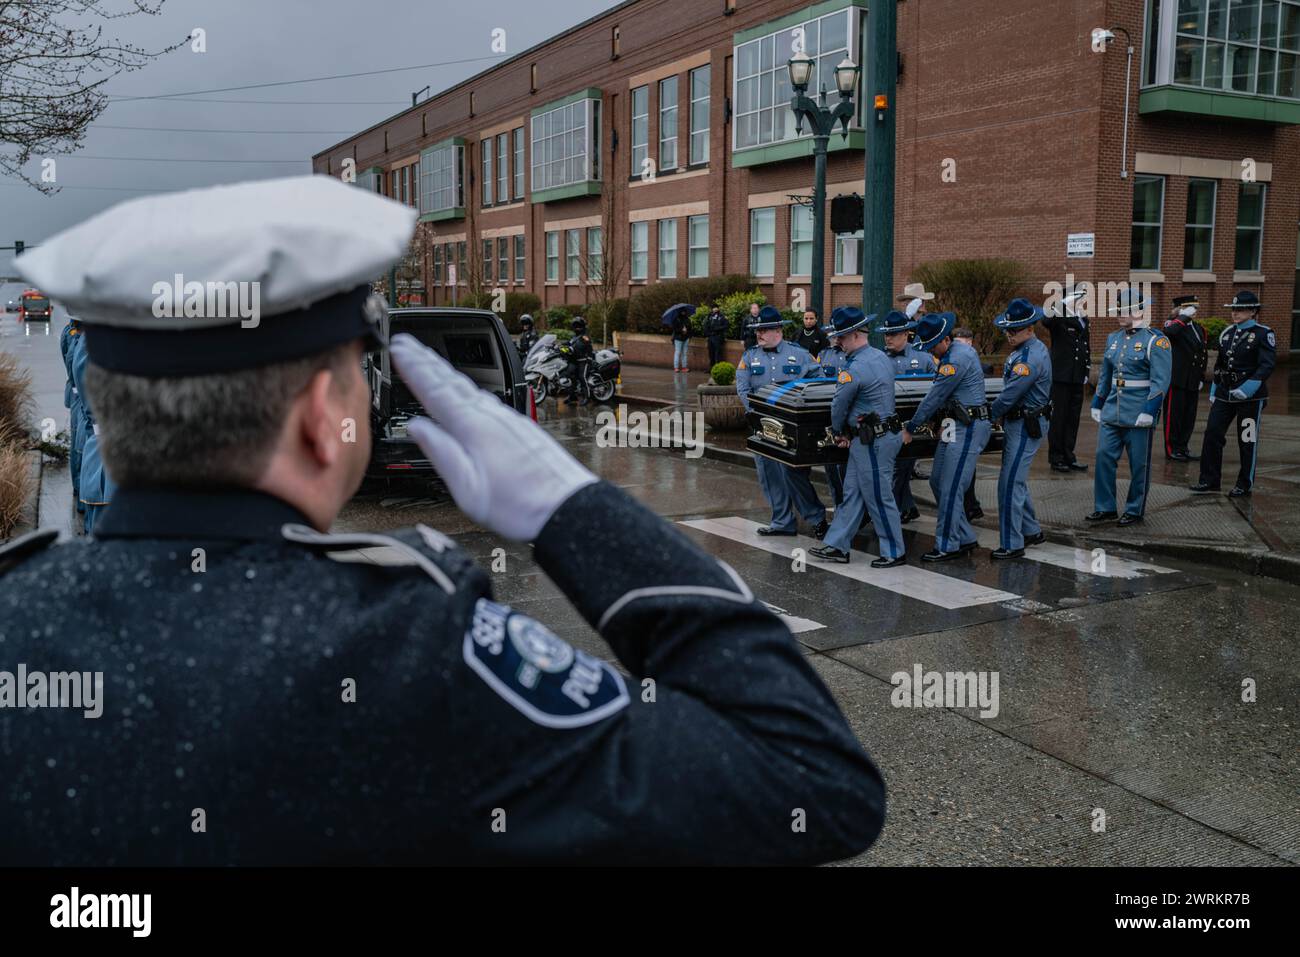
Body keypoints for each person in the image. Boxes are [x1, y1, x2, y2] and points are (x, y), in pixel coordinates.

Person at [0, 175, 884, 866]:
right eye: (358, 366)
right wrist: (578, 512)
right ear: (320, 415)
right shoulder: (410, 645)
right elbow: (811, 777)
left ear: (104, 408)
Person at [809, 308, 906, 568]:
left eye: (841, 337)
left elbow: (838, 406)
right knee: (852, 493)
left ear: (854, 335)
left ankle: (894, 551)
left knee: (878, 494)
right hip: (877, 436)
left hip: (873, 440)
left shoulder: (854, 368)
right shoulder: (880, 357)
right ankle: (837, 544)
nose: (837, 342)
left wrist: (839, 432)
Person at [901, 312, 990, 562]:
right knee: (938, 481)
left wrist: (912, 426)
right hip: (955, 424)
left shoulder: (955, 360)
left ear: (944, 340)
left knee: (950, 488)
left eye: (932, 346)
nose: (931, 351)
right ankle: (963, 535)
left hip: (967, 426)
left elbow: (935, 397)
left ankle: (947, 545)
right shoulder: (953, 354)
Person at [735, 305, 829, 539]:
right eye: (757, 330)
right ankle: (782, 521)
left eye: (764, 330)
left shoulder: (799, 354)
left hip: (792, 428)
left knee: (793, 474)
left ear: (778, 330)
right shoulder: (750, 356)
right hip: (763, 426)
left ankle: (816, 517)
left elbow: (819, 382)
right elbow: (743, 388)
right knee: (769, 476)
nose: (759, 335)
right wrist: (755, 415)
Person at [1086, 288, 1172, 526]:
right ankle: (1105, 507)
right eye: (1119, 311)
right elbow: (1106, 374)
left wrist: (1150, 410)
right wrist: (1098, 402)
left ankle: (1134, 510)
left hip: (1138, 413)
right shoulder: (1113, 338)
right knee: (1103, 456)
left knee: (1139, 465)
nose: (1119, 316)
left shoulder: (1156, 340)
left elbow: (1161, 380)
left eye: (1124, 311)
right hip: (1113, 409)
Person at [1190, 291, 1277, 497]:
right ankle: (1209, 480)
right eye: (1234, 309)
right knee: (1212, 434)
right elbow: (1220, 364)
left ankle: (1244, 483)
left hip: (1251, 398)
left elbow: (1266, 366)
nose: (1235, 313)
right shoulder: (1227, 333)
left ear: (1253, 311)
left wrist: (1248, 388)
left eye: (1241, 309)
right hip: (1224, 394)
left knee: (1247, 439)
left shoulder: (1264, 334)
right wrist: (1214, 389)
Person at [987, 299, 1052, 559]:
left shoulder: (1029, 357)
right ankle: (1031, 529)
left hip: (1026, 423)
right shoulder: (1026, 350)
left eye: (1014, 330)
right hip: (1020, 421)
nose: (1008, 334)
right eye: (1007, 330)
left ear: (1029, 329)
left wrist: (990, 415)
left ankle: (1012, 543)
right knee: (1015, 480)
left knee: (1009, 484)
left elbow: (1010, 394)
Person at [881, 310, 931, 524]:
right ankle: (907, 507)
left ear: (906, 334)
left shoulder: (924, 357)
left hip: (915, 424)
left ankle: (892, 512)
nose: (888, 338)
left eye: (893, 334)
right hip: (890, 424)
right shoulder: (880, 359)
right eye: (886, 334)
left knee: (900, 469)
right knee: (897, 467)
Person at [1041, 288, 1091, 473]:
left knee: (1072, 419)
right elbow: (1046, 320)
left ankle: (1069, 455)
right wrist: (1062, 303)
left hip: (1077, 376)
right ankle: (1056, 458)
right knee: (1059, 418)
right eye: (1078, 298)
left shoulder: (1082, 318)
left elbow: (1086, 346)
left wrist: (1086, 369)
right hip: (1061, 376)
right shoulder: (1059, 318)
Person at [1162, 294, 1208, 462]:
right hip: (1177, 379)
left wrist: (1201, 376)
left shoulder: (1199, 328)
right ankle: (1171, 448)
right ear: (1180, 308)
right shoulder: (1174, 324)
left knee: (1189, 416)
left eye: (1195, 308)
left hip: (1192, 379)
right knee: (1174, 416)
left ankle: (1183, 446)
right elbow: (1169, 332)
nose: (1194, 311)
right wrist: (1183, 316)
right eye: (1190, 308)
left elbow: (1202, 353)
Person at [951, 326, 984, 520]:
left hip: (968, 420)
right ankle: (969, 504)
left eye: (969, 342)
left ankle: (969, 504)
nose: (967, 347)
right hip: (956, 420)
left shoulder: (971, 361)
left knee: (967, 467)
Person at [60, 316, 86, 514]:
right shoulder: (73, 335)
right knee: (81, 447)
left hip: (82, 396)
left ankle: (82, 491)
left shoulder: (74, 335)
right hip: (81, 397)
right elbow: (71, 362)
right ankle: (81, 491)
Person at [562, 315, 594, 405]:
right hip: (575, 361)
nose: (577, 328)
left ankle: (587, 397)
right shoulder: (574, 337)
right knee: (571, 376)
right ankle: (572, 396)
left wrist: (588, 359)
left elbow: (587, 347)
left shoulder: (585, 337)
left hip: (584, 360)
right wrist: (561, 344)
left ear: (582, 326)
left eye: (578, 326)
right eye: (575, 326)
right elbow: (569, 343)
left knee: (582, 377)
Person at [704, 304, 728, 369]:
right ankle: (711, 368)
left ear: (718, 308)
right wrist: (707, 333)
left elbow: (726, 326)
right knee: (711, 353)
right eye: (713, 308)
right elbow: (706, 325)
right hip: (711, 337)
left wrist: (717, 328)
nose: (715, 309)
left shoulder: (722, 316)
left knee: (718, 354)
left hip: (718, 337)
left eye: (716, 308)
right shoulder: (709, 316)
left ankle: (718, 368)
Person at [670, 306, 693, 372]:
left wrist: (688, 333)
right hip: (678, 338)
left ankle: (684, 367)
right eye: (682, 311)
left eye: (684, 311)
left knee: (684, 353)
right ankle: (676, 367)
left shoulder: (687, 319)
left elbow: (690, 328)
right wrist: (681, 330)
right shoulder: (676, 319)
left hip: (686, 338)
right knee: (677, 352)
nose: (683, 312)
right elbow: (675, 329)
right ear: (679, 312)